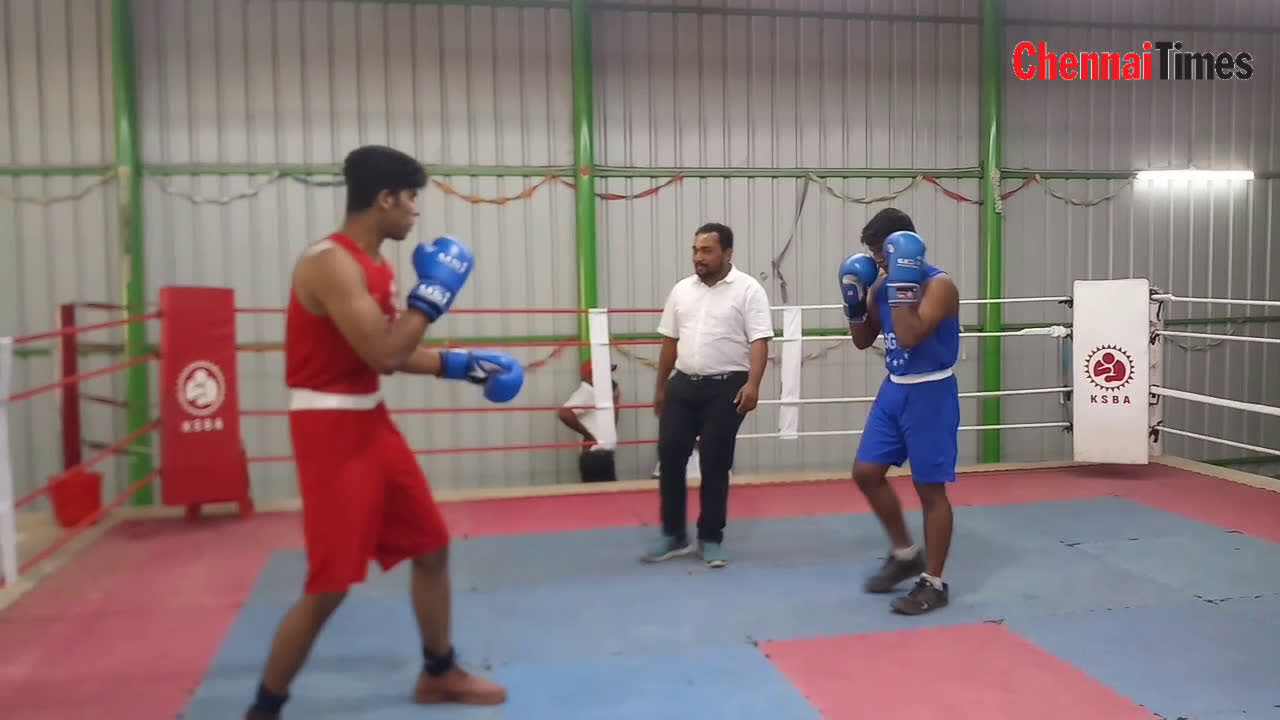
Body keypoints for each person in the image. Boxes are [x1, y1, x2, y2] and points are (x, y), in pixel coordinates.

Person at [245, 145, 523, 719]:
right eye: (411, 199)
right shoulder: (331, 264)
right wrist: (434, 296)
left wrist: (465, 364)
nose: (415, 212)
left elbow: (386, 352)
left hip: (368, 421)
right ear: (385, 199)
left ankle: (439, 672)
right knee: (329, 586)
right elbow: (384, 351)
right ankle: (263, 710)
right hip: (329, 432)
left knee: (430, 546)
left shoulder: (376, 265)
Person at [839, 207, 961, 615]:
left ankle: (934, 581)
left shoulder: (938, 286)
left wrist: (902, 283)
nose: (876, 262)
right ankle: (905, 553)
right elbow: (862, 339)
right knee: (866, 473)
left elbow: (908, 335)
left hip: (931, 392)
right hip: (894, 390)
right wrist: (855, 301)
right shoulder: (881, 285)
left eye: (882, 253)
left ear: (902, 248)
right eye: (873, 255)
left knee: (930, 489)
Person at [644, 222, 772, 568]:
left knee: (715, 462)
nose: (698, 257)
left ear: (727, 253)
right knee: (670, 456)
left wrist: (754, 384)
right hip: (683, 384)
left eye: (707, 250)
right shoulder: (682, 291)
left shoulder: (748, 290)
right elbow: (669, 341)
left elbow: (759, 340)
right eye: (696, 250)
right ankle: (673, 534)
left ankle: (711, 537)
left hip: (727, 386)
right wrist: (661, 387)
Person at [558, 359, 622, 482]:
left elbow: (612, 425)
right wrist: (589, 436)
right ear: (593, 375)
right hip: (595, 455)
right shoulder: (587, 391)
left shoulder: (597, 394)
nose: (609, 377)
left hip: (601, 455)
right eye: (605, 373)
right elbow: (564, 413)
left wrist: (615, 399)